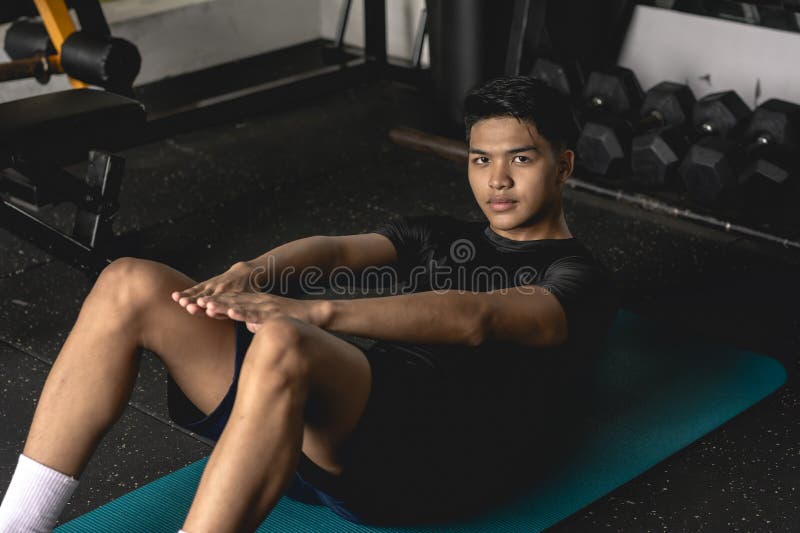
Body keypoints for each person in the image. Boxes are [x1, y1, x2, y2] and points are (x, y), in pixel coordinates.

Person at [0, 76, 617, 532]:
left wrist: (308, 312)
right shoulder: (441, 232)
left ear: (562, 166)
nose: (497, 179)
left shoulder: (577, 275)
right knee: (130, 280)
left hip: (425, 464)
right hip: (322, 436)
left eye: (521, 158)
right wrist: (250, 273)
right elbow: (335, 251)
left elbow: (477, 319)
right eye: (482, 159)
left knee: (286, 340)